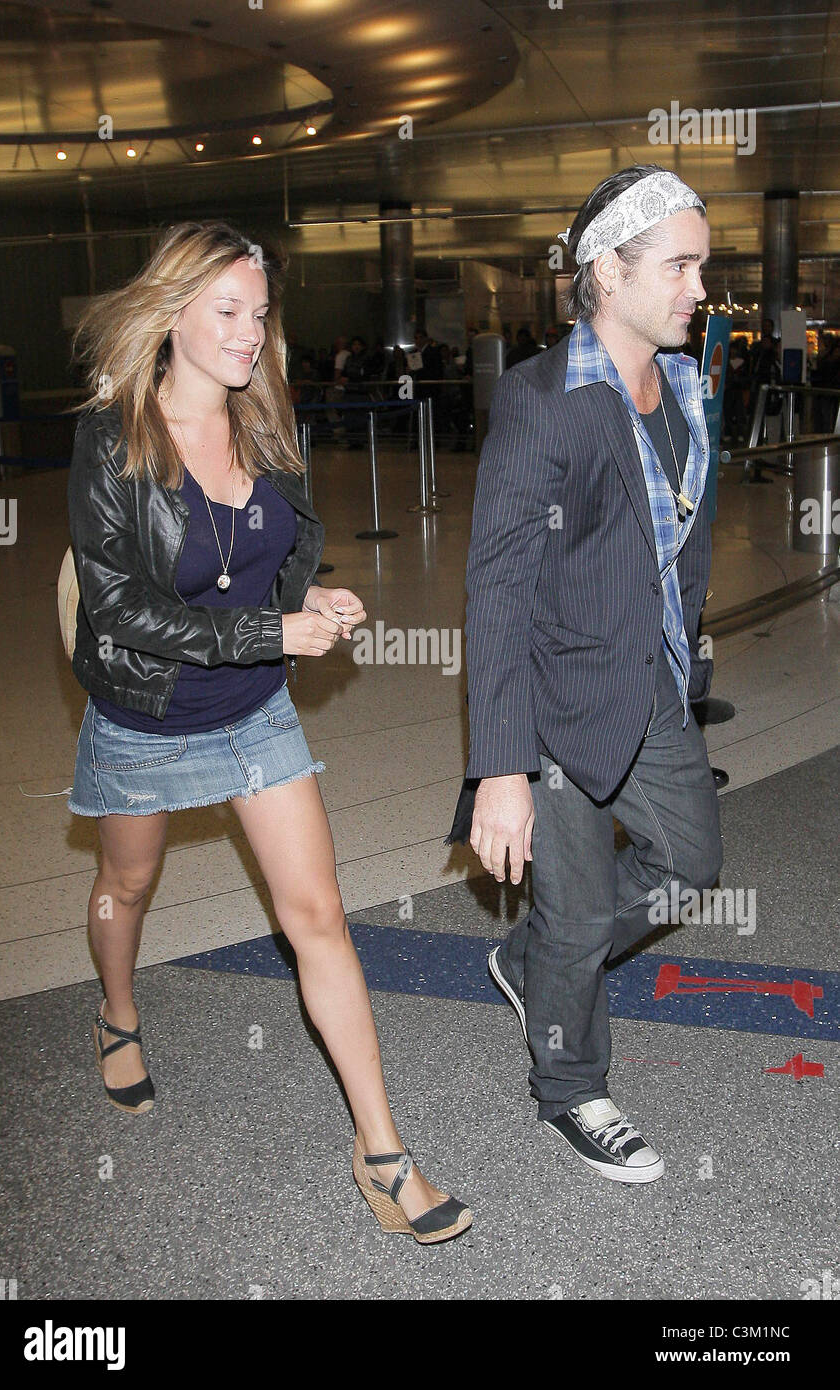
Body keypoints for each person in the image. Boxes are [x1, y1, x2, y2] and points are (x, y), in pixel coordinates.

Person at [65, 221, 471, 1245]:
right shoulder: (114, 433)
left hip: (251, 706)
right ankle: (117, 1010)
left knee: (319, 917)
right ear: (172, 312)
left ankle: (381, 1155)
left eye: (258, 313)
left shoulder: (267, 419)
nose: (250, 335)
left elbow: (277, 549)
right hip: (146, 711)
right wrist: (269, 627)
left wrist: (311, 598)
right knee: (128, 885)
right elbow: (116, 609)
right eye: (227, 312)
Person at [449, 165, 722, 1183]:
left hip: (644, 676)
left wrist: (683, 642)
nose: (698, 287)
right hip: (555, 691)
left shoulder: (683, 382)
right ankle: (568, 1088)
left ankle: (532, 964)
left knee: (690, 860)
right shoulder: (541, 399)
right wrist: (501, 768)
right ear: (606, 270)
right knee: (568, 911)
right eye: (679, 265)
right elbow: (497, 590)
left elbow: (672, 536)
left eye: (703, 264)